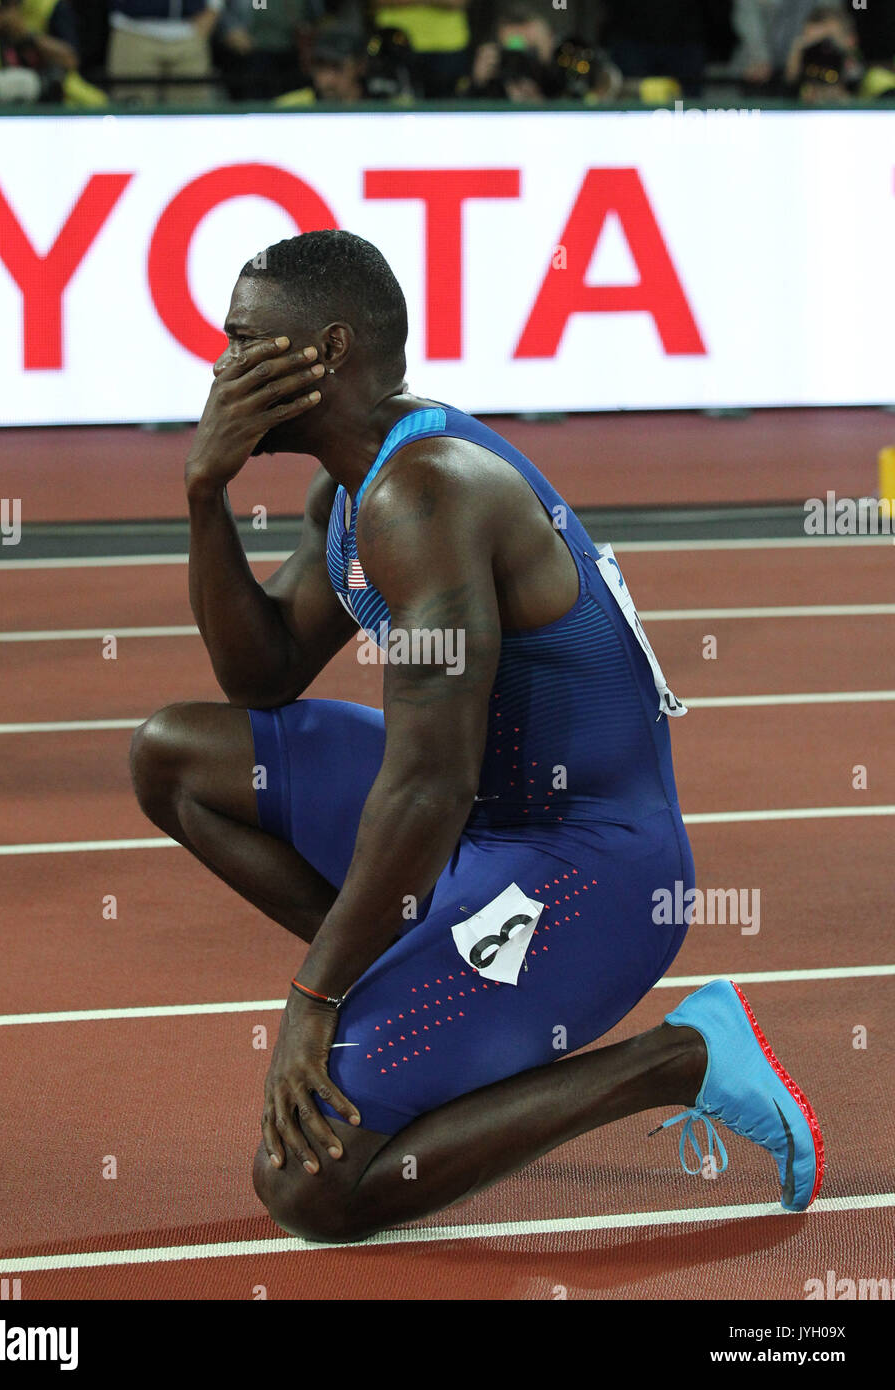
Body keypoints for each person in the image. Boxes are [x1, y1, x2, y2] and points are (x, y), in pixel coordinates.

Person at [130, 229, 825, 1243]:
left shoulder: (425, 493)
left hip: (586, 867)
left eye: (242, 341)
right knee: (171, 757)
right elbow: (263, 670)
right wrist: (203, 496)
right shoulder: (354, 481)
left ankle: (675, 1058)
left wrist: (310, 996)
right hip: (482, 823)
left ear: (324, 352)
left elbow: (425, 787)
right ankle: (423, 988)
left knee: (311, 1188)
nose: (221, 366)